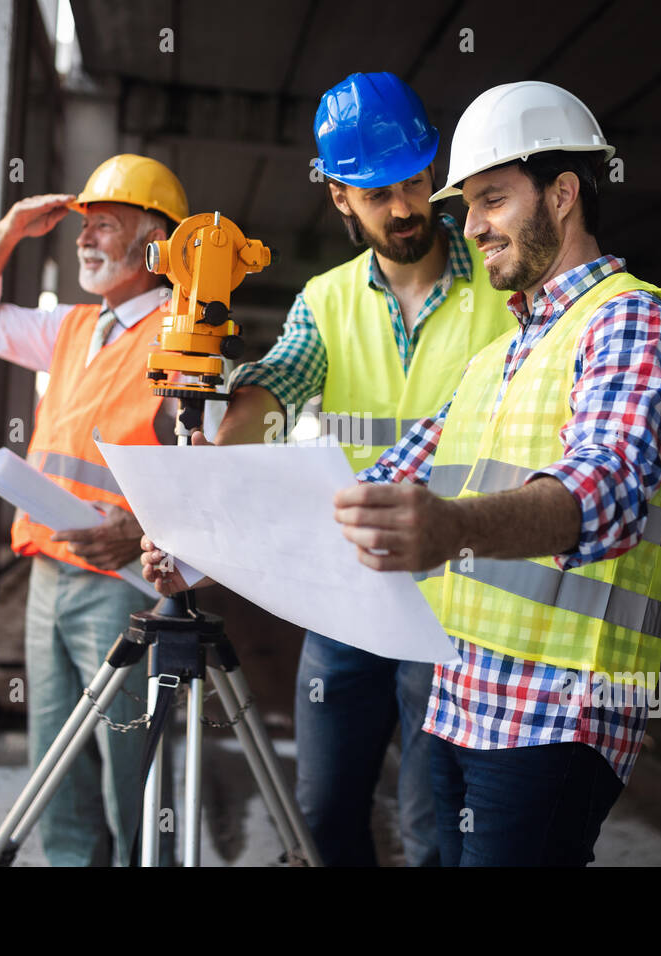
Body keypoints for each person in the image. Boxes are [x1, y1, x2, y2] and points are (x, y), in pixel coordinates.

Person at [145, 81, 661, 867]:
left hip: (552, 708)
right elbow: (363, 490)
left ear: (564, 195)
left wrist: (453, 527)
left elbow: (608, 491)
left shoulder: (629, 319)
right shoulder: (495, 352)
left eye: (489, 200)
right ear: (342, 197)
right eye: (466, 204)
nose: (462, 222)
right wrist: (209, 542)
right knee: (330, 816)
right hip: (464, 692)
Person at [159, 72, 515, 866]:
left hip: (458, 599)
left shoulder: (504, 289)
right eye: (376, 192)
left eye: (416, 182)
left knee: (435, 831)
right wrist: (205, 497)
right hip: (349, 595)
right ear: (340, 201)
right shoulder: (324, 301)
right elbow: (276, 387)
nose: (402, 208)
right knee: (320, 821)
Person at [0, 154, 188, 866]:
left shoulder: (183, 331)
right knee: (57, 765)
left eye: (104, 226)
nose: (84, 240)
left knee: (130, 770)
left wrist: (139, 530)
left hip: (123, 588)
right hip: (49, 579)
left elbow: (211, 467)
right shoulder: (74, 329)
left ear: (156, 244)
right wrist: (9, 230)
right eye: (83, 227)